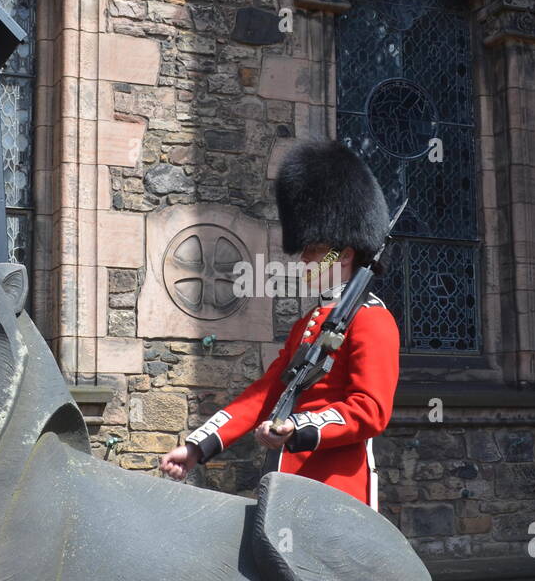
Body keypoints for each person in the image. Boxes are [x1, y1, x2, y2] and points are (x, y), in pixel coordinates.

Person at [159, 140, 400, 510]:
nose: (304, 259)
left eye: (314, 250)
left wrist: (299, 428)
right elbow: (266, 393)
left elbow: (369, 409)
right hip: (286, 484)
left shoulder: (371, 319)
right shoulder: (307, 324)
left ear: (345, 254)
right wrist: (197, 446)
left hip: (335, 492)